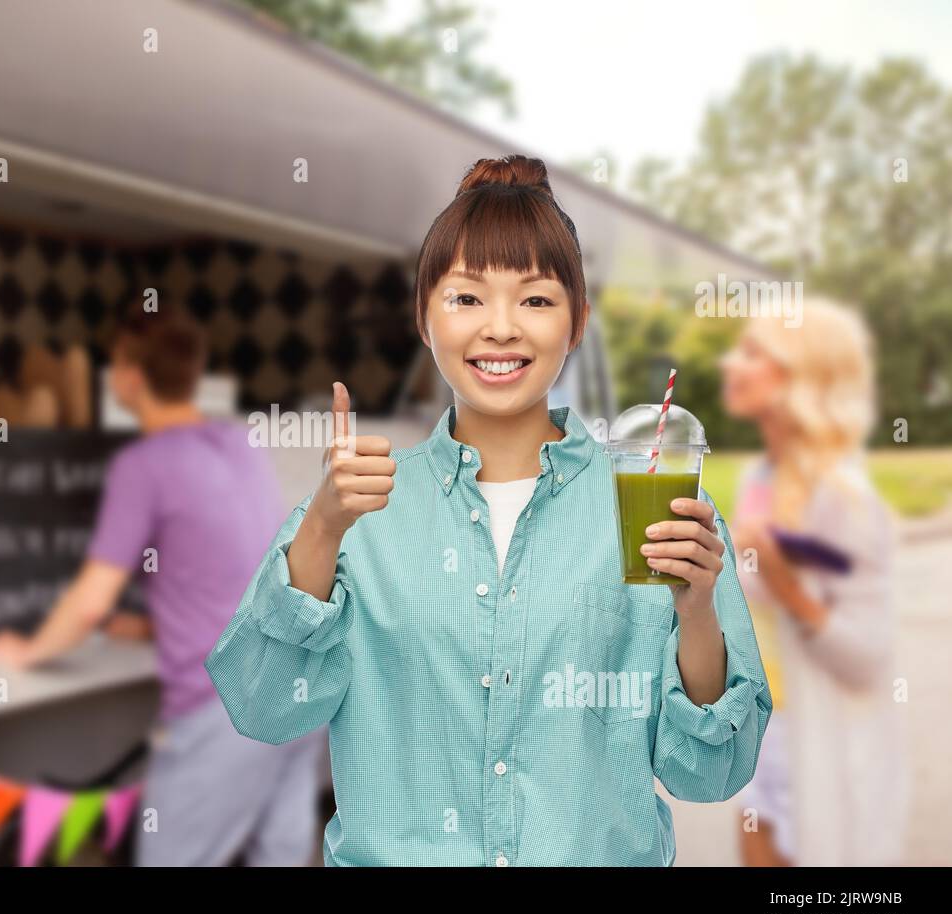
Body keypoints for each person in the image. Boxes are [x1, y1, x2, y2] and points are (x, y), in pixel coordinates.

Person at [205, 154, 773, 866]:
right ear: (423, 317)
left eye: (535, 300)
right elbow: (262, 709)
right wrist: (320, 529)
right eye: (466, 298)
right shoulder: (355, 512)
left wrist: (695, 611)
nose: (500, 329)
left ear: (577, 320)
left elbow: (709, 772)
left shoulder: (657, 504)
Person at [0, 308, 325, 866]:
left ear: (132, 378)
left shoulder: (144, 465)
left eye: (114, 362)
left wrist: (26, 650)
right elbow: (237, 571)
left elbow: (91, 600)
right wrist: (146, 627)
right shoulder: (237, 444)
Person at [722, 297, 906, 866]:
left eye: (753, 352)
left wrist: (787, 586)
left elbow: (869, 657)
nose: (730, 364)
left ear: (799, 376)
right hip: (765, 739)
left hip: (823, 752)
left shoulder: (844, 498)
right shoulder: (758, 478)